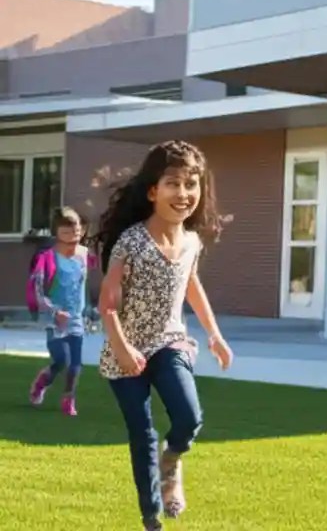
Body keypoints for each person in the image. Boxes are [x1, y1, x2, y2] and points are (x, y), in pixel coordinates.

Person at [90, 140, 234, 531]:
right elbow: (107, 303)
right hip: (126, 348)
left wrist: (214, 334)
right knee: (142, 432)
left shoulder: (191, 241)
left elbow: (191, 285)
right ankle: (151, 515)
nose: (184, 194)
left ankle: (172, 459)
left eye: (192, 184)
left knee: (189, 417)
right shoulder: (132, 242)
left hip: (169, 341)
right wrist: (120, 347)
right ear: (153, 191)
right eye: (174, 183)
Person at [28, 207, 94, 416]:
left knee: (75, 365)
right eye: (65, 232)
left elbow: (83, 285)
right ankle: (41, 383)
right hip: (53, 318)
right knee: (61, 360)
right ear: (56, 232)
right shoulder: (46, 258)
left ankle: (68, 399)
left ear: (81, 231)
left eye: (75, 231)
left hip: (76, 319)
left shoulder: (85, 255)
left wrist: (90, 309)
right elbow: (37, 292)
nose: (71, 236)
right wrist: (55, 311)